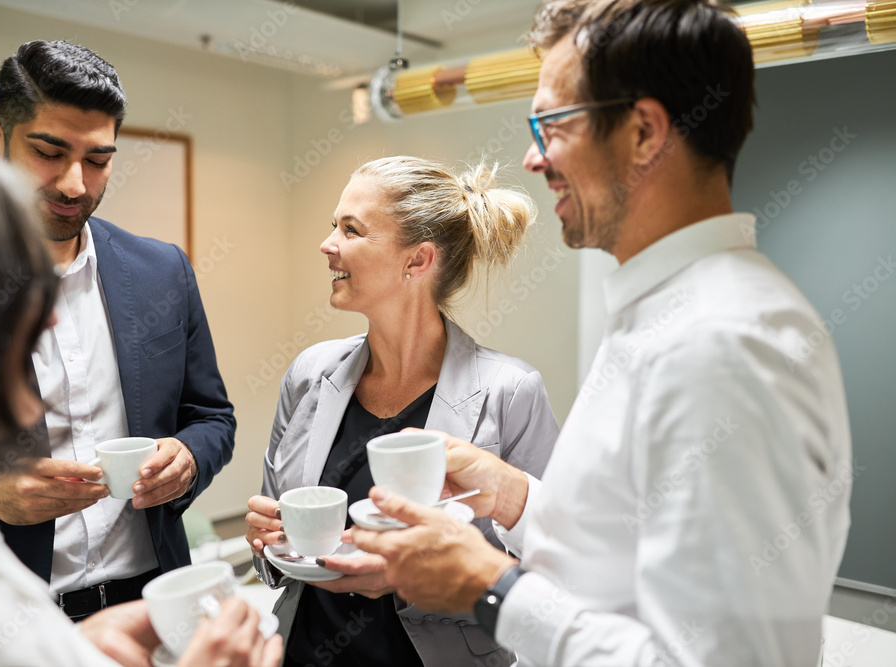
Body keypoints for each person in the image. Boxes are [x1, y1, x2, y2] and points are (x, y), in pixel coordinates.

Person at [351, 1, 852, 665]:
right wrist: (515, 496)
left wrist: (490, 587)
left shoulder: (719, 344)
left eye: (550, 124)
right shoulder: (665, 314)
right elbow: (624, 555)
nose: (533, 158)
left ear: (644, 132)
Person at [0, 127, 281, 667]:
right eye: (4, 287)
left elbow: (211, 416)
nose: (49, 317)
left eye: (98, 158)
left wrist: (85, 650)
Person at [245, 156, 561, 666]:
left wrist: (408, 576)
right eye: (334, 226)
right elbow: (278, 551)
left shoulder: (511, 392)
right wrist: (268, 548)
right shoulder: (309, 375)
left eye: (351, 229)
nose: (328, 245)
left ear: (417, 261)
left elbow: (553, 570)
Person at [0, 40, 236, 619]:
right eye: (49, 152)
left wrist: (189, 458)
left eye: (97, 160)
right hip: (1, 619)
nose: (74, 184)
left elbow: (212, 418)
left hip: (153, 603)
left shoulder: (162, 270)